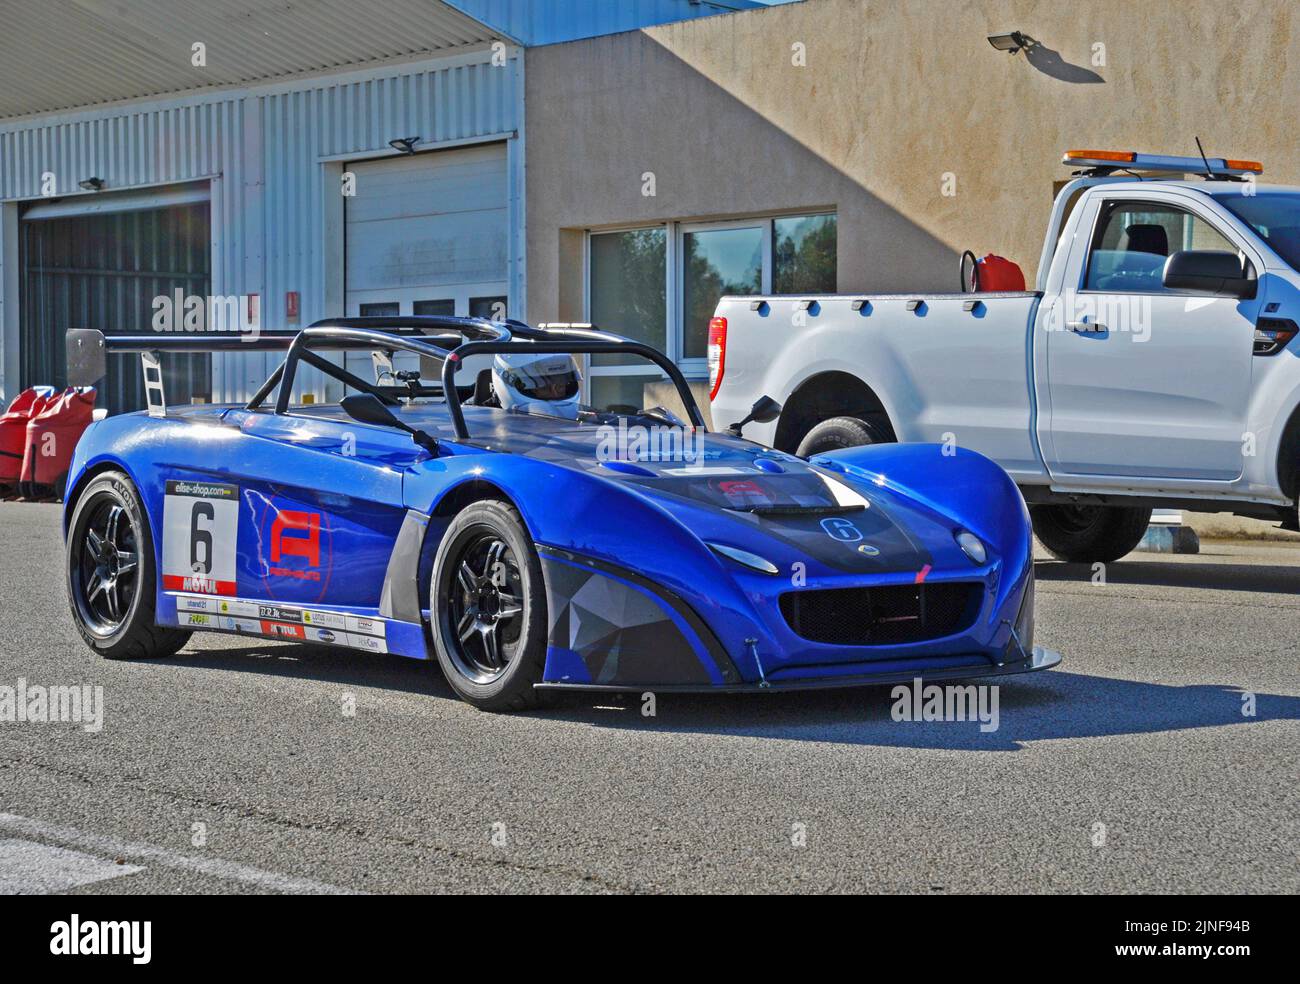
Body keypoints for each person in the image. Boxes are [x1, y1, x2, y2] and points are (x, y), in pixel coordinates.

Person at [490, 351, 582, 420]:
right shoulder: (484, 431)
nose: (555, 393)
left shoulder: (583, 424)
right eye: (544, 387)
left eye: (560, 386)